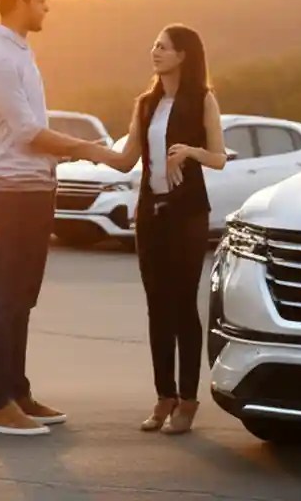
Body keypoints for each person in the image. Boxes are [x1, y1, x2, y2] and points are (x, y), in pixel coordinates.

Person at [0, 0, 114, 436]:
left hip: (37, 188)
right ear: (19, 2)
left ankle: (18, 392)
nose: (47, 4)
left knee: (23, 298)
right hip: (14, 191)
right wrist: (93, 151)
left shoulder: (21, 54)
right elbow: (28, 132)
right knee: (6, 296)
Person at [97, 24, 227, 435]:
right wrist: (76, 150)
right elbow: (126, 158)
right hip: (150, 214)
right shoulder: (146, 104)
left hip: (187, 214)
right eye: (153, 44)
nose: (155, 51)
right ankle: (163, 395)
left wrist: (190, 152)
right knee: (157, 307)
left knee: (183, 306)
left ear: (183, 55)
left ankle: (188, 399)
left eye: (163, 47)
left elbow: (220, 158)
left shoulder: (202, 100)